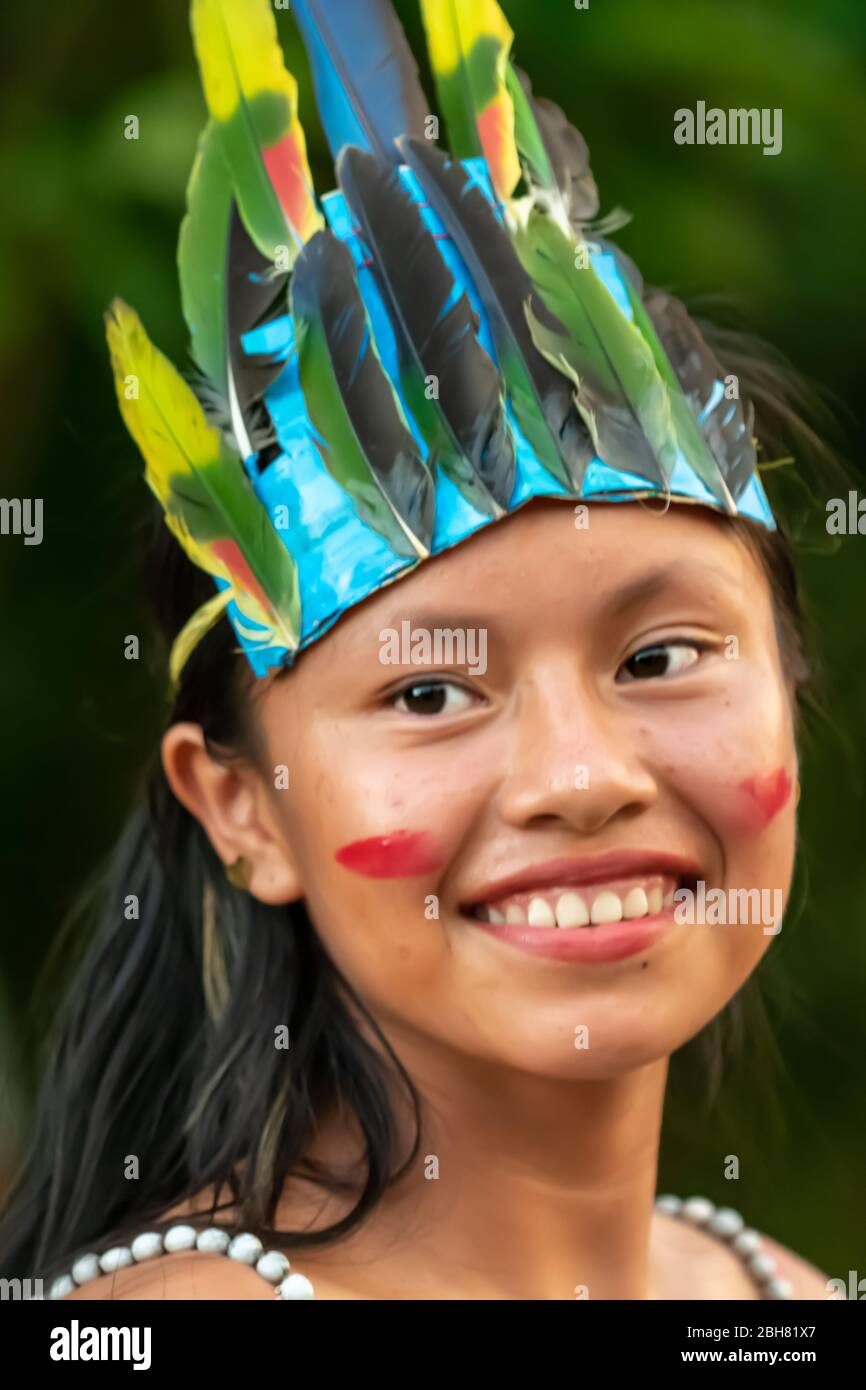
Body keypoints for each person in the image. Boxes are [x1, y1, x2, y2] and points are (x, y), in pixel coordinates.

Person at [0, 0, 837, 1300]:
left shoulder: (773, 1293)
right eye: (432, 688)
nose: (581, 773)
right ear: (241, 803)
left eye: (661, 656)